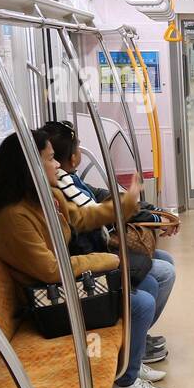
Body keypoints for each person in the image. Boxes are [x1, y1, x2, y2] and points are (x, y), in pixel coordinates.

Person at [0, 130, 167, 388]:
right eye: (50, 159)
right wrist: (105, 260)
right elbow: (51, 269)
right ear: (30, 167)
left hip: (64, 288)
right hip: (49, 302)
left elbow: (83, 217)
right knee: (140, 302)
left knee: (151, 282)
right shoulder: (15, 218)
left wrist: (127, 203)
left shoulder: (47, 197)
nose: (57, 164)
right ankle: (126, 380)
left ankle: (131, 359)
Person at [42, 120, 176, 362]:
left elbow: (106, 198)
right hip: (93, 259)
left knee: (164, 260)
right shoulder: (63, 187)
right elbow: (98, 214)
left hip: (99, 251)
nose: (55, 164)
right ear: (72, 157)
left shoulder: (71, 180)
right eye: (50, 159)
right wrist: (143, 212)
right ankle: (133, 353)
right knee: (160, 276)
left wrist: (155, 213)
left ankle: (137, 339)